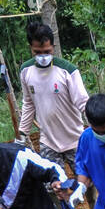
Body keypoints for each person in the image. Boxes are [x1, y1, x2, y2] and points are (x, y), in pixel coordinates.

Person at [16, 21, 90, 172]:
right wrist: (22, 133)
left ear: (53, 47)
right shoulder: (26, 71)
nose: (43, 56)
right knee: (52, 185)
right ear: (31, 48)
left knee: (87, 179)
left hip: (75, 139)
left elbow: (82, 102)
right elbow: (29, 103)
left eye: (47, 52)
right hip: (48, 141)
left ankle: (89, 197)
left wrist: (97, 126)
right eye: (38, 52)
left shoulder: (67, 71)